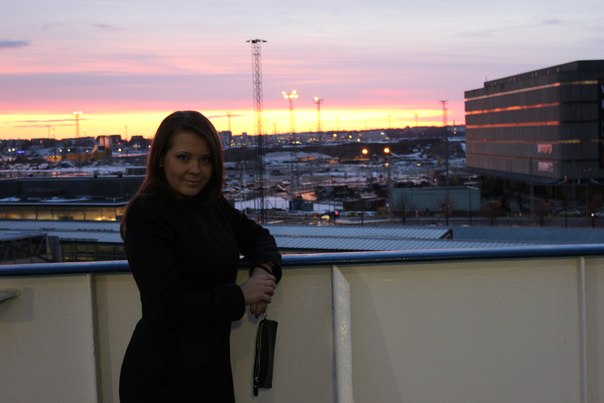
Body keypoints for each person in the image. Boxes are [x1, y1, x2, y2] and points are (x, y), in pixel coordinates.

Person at [119, 111, 282, 402]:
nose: (195, 169)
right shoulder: (147, 215)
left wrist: (263, 270)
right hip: (163, 376)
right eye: (183, 157)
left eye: (206, 159)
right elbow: (165, 307)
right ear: (161, 158)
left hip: (209, 370)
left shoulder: (211, 204)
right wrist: (241, 295)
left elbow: (259, 237)